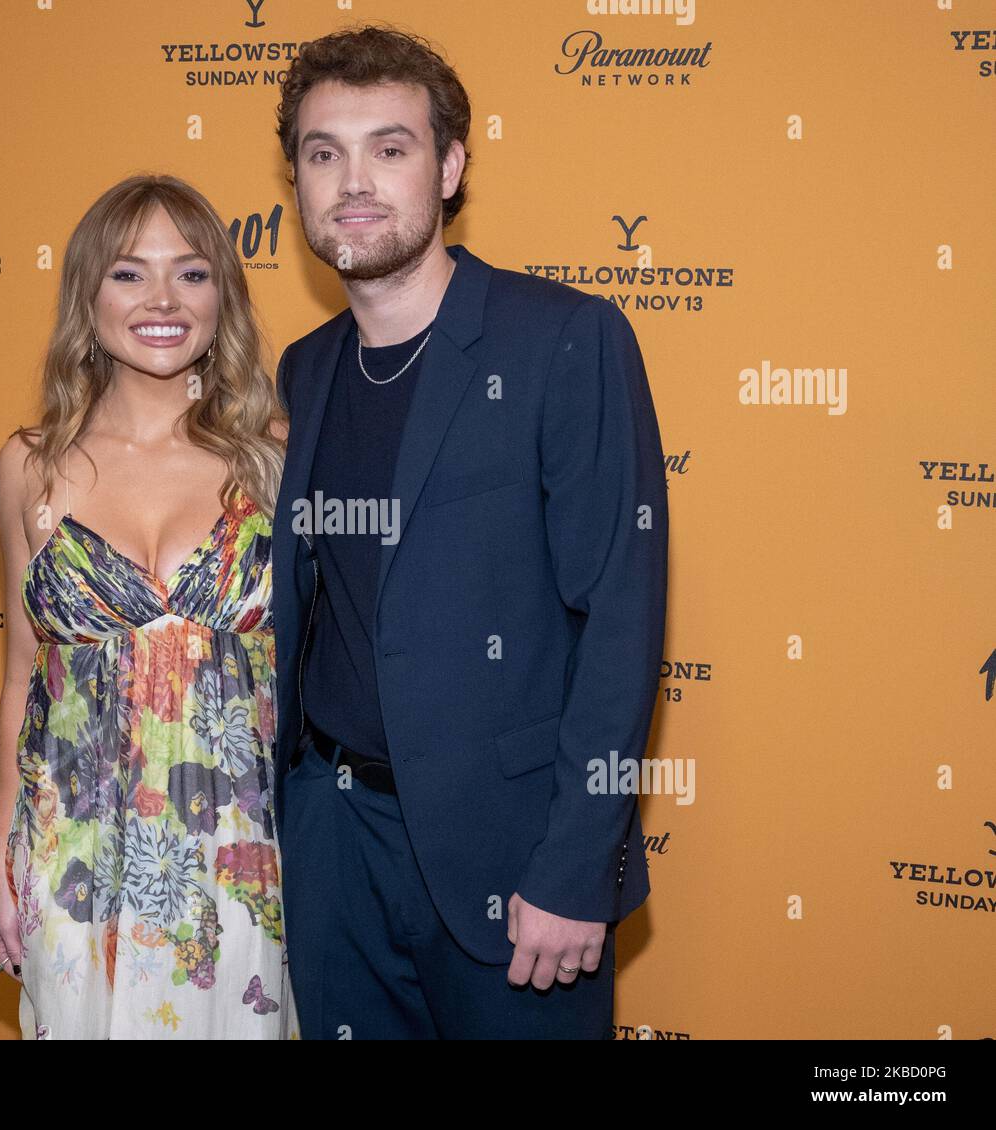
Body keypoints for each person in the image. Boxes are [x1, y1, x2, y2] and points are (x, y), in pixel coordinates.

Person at [270, 25, 669, 1039]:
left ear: (448, 166)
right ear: (297, 182)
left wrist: (579, 866)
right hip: (331, 843)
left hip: (514, 861)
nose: (352, 180)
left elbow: (619, 617)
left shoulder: (562, 338)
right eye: (324, 153)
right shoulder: (305, 370)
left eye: (388, 147)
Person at [0, 174, 297, 1039]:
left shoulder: (278, 455)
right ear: (88, 296)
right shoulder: (31, 466)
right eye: (129, 273)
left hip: (245, 863)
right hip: (75, 859)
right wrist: (1, 866)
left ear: (221, 297)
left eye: (191, 273)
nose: (162, 299)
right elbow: (22, 681)